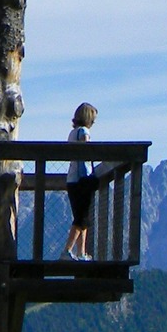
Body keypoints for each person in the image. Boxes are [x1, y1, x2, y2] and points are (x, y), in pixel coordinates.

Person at [63, 102, 99, 260]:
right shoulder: (84, 132)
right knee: (81, 218)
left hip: (71, 179)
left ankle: (81, 252)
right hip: (81, 179)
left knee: (82, 217)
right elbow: (86, 153)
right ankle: (68, 250)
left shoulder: (72, 133)